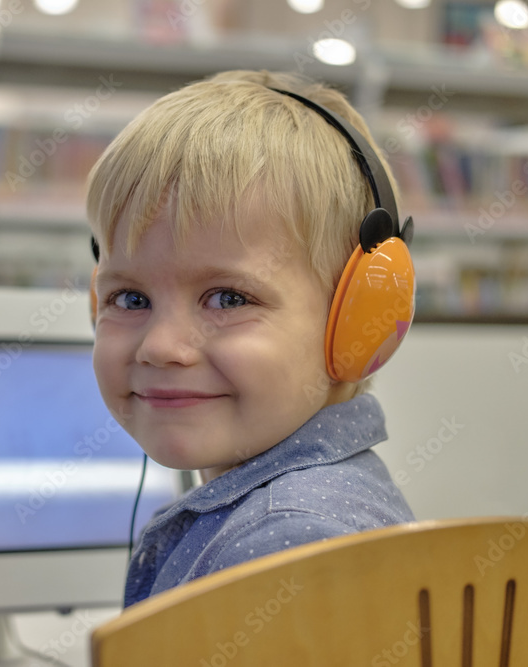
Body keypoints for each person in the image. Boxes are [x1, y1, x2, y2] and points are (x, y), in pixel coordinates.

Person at [84, 69, 416, 607]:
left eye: (229, 299)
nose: (161, 347)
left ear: (359, 321)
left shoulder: (287, 545)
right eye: (131, 298)